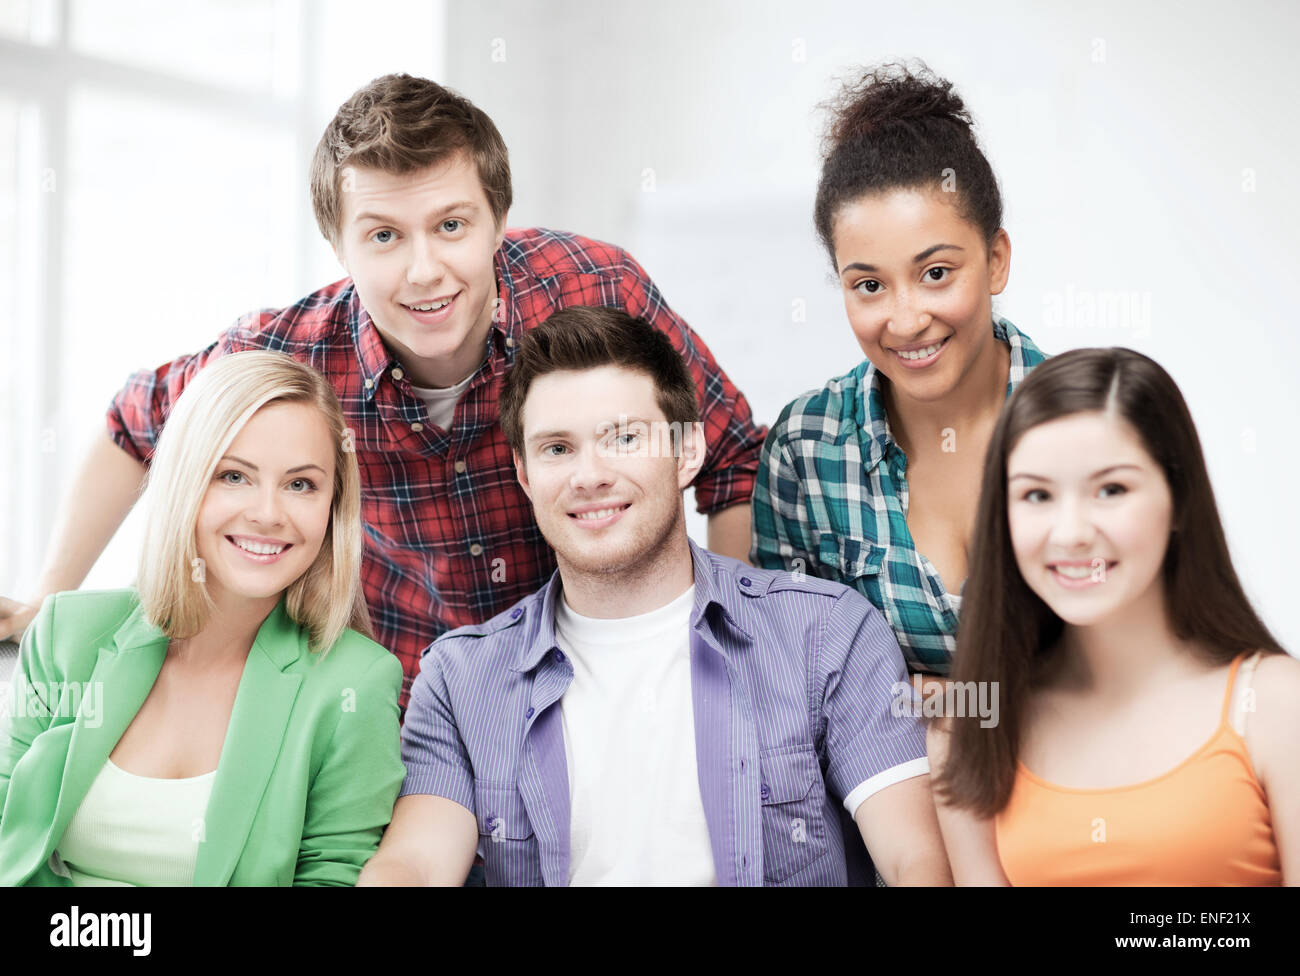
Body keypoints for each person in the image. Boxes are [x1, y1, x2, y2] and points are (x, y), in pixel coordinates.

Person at [0, 73, 766, 710]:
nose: (424, 270)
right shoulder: (285, 352)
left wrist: (727, 648)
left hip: (601, 691)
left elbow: (730, 457)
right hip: (400, 714)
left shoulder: (595, 287)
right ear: (336, 245)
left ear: (499, 219)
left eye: (452, 225)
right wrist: (48, 598)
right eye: (383, 236)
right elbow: (135, 423)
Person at [356, 306, 951, 887]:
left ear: (687, 450)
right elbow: (417, 864)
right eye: (557, 448)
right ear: (524, 472)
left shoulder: (828, 634)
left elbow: (913, 861)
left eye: (622, 438)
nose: (589, 475)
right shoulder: (460, 679)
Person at [0, 352, 405, 886]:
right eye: (233, 476)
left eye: (301, 484)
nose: (267, 513)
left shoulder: (355, 682)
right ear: (185, 482)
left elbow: (330, 876)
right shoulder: (67, 634)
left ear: (334, 505)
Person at [927, 348, 1298, 885]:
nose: (1072, 531)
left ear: (1181, 498)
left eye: (1112, 489)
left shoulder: (1277, 703)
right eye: (1036, 495)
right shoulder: (967, 728)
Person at [751, 61, 1046, 682]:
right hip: (895, 783)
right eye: (869, 285)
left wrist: (936, 708)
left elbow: (1142, 673)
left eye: (936, 272)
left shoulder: (1092, 419)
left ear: (995, 260)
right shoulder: (805, 449)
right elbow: (793, 690)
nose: (906, 320)